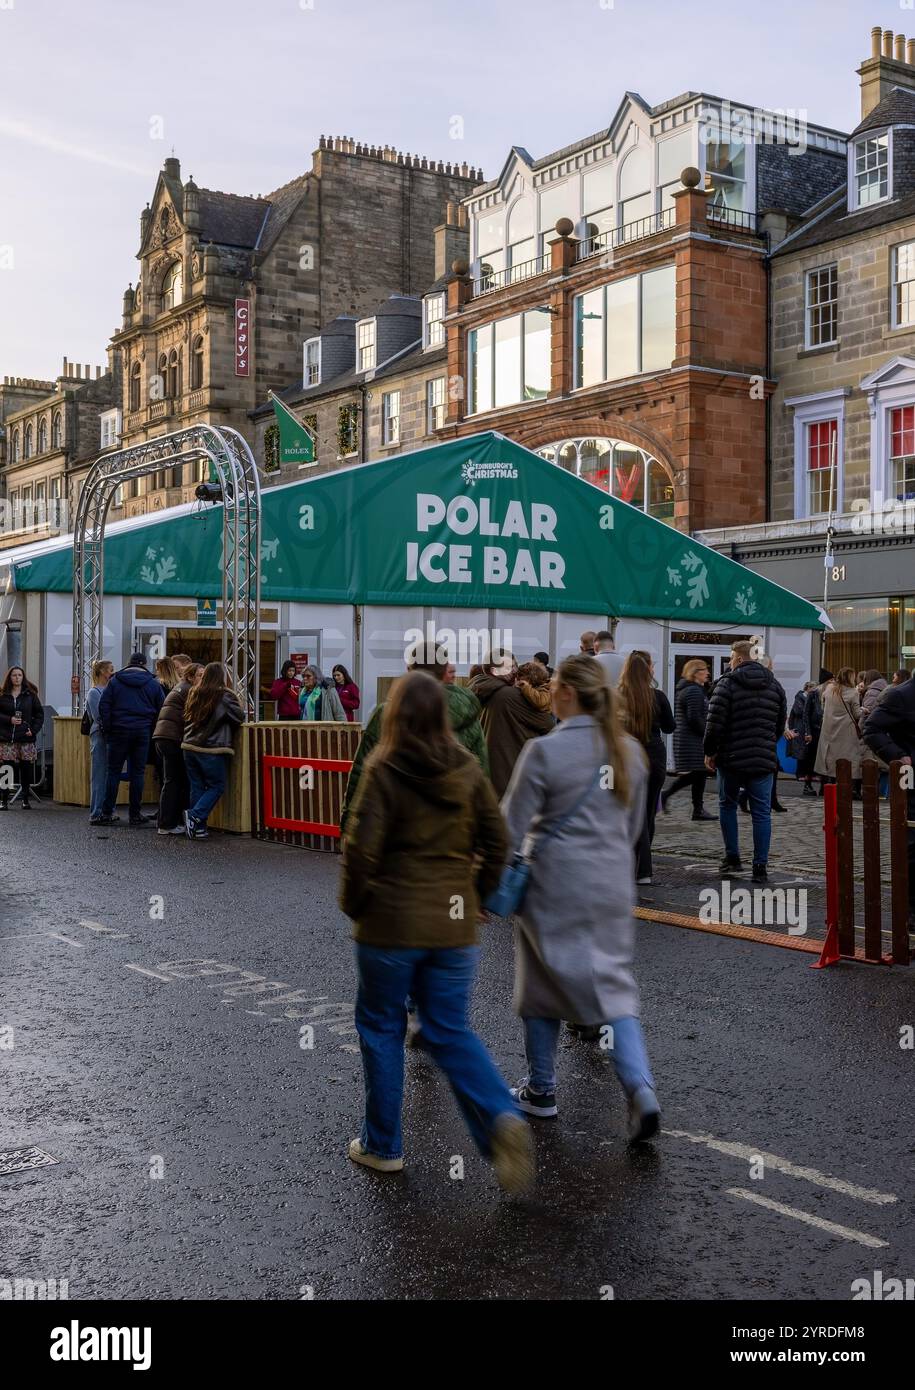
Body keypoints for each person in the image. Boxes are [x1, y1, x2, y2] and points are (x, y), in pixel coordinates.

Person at [339, 670, 534, 1193]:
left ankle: (383, 1147)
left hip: (390, 923)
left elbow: (362, 852)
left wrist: (356, 905)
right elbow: (498, 842)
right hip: (452, 925)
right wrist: (480, 896)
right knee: (449, 1029)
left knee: (381, 1027)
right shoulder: (468, 769)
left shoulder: (384, 770)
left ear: (396, 715)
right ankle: (498, 1116)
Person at [500, 655, 659, 1141]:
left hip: (554, 884)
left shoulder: (544, 752)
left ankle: (542, 1090)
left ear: (567, 692)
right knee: (611, 983)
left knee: (541, 984)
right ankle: (640, 1088)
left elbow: (510, 825)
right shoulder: (630, 751)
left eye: (554, 685)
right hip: (612, 882)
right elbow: (633, 828)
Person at [341, 656, 488, 835]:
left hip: (396, 833)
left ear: (410, 673)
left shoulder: (385, 715)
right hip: (453, 834)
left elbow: (360, 772)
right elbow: (484, 777)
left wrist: (349, 823)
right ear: (444, 674)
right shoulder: (470, 720)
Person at [704, 640, 787, 883]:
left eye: (731, 657)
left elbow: (714, 724)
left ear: (739, 659)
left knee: (727, 805)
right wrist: (766, 744)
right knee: (762, 812)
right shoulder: (775, 686)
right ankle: (760, 866)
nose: (730, 662)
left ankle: (732, 857)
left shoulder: (726, 684)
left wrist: (710, 752)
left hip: (731, 759)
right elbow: (779, 724)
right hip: (763, 759)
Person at [617, 650, 675, 885]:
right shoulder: (658, 696)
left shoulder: (618, 695)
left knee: (631, 811)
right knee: (649, 810)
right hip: (655, 756)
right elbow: (670, 727)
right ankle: (643, 867)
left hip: (627, 756)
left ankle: (637, 865)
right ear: (648, 669)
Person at [862, 674, 915, 927]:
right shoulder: (900, 694)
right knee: (912, 846)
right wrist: (899, 756)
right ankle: (910, 911)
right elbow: (871, 728)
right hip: (911, 780)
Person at [470, 654, 554, 797]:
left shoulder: (482, 690)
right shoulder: (510, 694)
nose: (516, 671)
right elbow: (548, 725)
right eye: (510, 667)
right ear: (494, 671)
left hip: (490, 769)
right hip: (512, 769)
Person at [96, 653, 164, 826]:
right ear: (144, 664)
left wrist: (109, 727)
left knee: (113, 772)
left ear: (128, 663)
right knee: (138, 773)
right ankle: (135, 814)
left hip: (118, 731)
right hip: (142, 731)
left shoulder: (115, 681)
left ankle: (106, 813)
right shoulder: (153, 683)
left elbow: (104, 705)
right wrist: (152, 728)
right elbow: (161, 708)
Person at [180, 663, 245, 839]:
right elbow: (240, 717)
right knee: (216, 786)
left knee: (197, 786)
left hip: (189, 746)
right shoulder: (224, 695)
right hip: (211, 748)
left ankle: (198, 828)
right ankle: (194, 816)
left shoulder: (194, 691)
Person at [661, 658, 714, 820]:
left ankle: (697, 809)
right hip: (692, 739)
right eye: (704, 670)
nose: (707, 673)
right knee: (698, 773)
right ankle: (667, 795)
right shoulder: (693, 691)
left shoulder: (692, 689)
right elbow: (694, 718)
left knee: (699, 774)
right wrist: (707, 734)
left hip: (688, 738)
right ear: (695, 673)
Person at [153, 662, 201, 836]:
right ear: (190, 676)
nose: (202, 679)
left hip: (163, 737)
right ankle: (167, 824)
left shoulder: (180, 687)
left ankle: (167, 822)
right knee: (174, 782)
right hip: (173, 738)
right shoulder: (190, 690)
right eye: (199, 676)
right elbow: (196, 716)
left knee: (172, 781)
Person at [814, 667, 864, 797]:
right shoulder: (853, 692)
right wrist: (865, 710)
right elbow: (857, 714)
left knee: (829, 757)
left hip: (828, 729)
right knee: (849, 758)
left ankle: (826, 787)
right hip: (845, 731)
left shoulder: (829, 689)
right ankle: (849, 790)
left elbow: (823, 705)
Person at [0, 666, 44, 809]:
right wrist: (9, 720)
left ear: (23, 677)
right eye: (14, 675)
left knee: (26, 769)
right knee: (7, 769)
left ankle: (25, 799)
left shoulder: (30, 695)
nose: (17, 677)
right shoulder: (2, 694)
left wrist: (34, 730)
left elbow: (39, 715)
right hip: (7, 738)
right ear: (9, 677)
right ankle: (3, 800)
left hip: (25, 737)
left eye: (19, 675)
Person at [86, 659, 114, 824]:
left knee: (109, 774)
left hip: (110, 735)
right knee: (99, 774)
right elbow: (98, 716)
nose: (113, 672)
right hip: (100, 735)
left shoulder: (110, 689)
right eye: (110, 669)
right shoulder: (94, 692)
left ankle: (106, 811)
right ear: (103, 672)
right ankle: (96, 812)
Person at [786, 680, 819, 796]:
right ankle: (800, 774)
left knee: (808, 753)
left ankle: (808, 774)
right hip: (800, 728)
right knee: (801, 752)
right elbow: (798, 711)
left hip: (807, 727)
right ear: (808, 688)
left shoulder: (812, 698)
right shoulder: (799, 697)